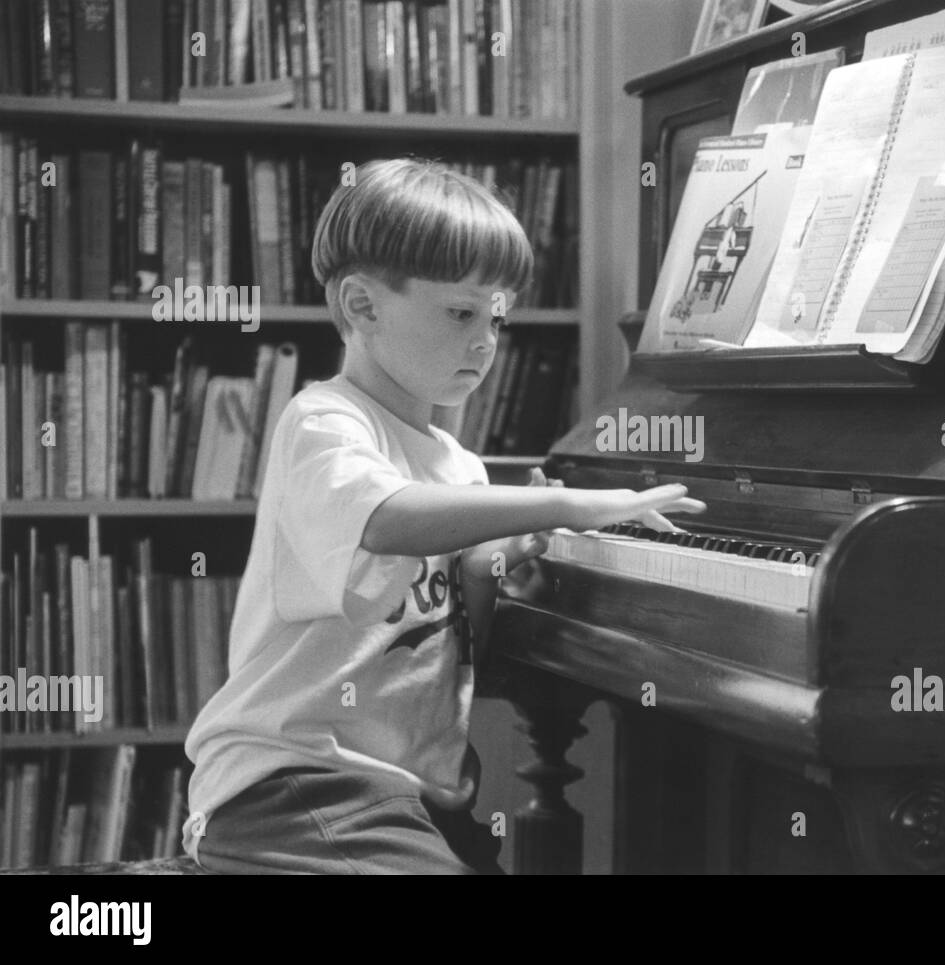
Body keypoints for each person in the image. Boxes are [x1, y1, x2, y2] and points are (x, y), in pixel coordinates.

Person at [182, 158, 702, 874]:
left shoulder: (460, 466)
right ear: (362, 306)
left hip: (418, 794)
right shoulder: (323, 422)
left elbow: (459, 633)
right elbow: (386, 518)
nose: (486, 340)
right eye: (461, 312)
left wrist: (514, 554)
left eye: (497, 315)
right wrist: (564, 500)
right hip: (291, 780)